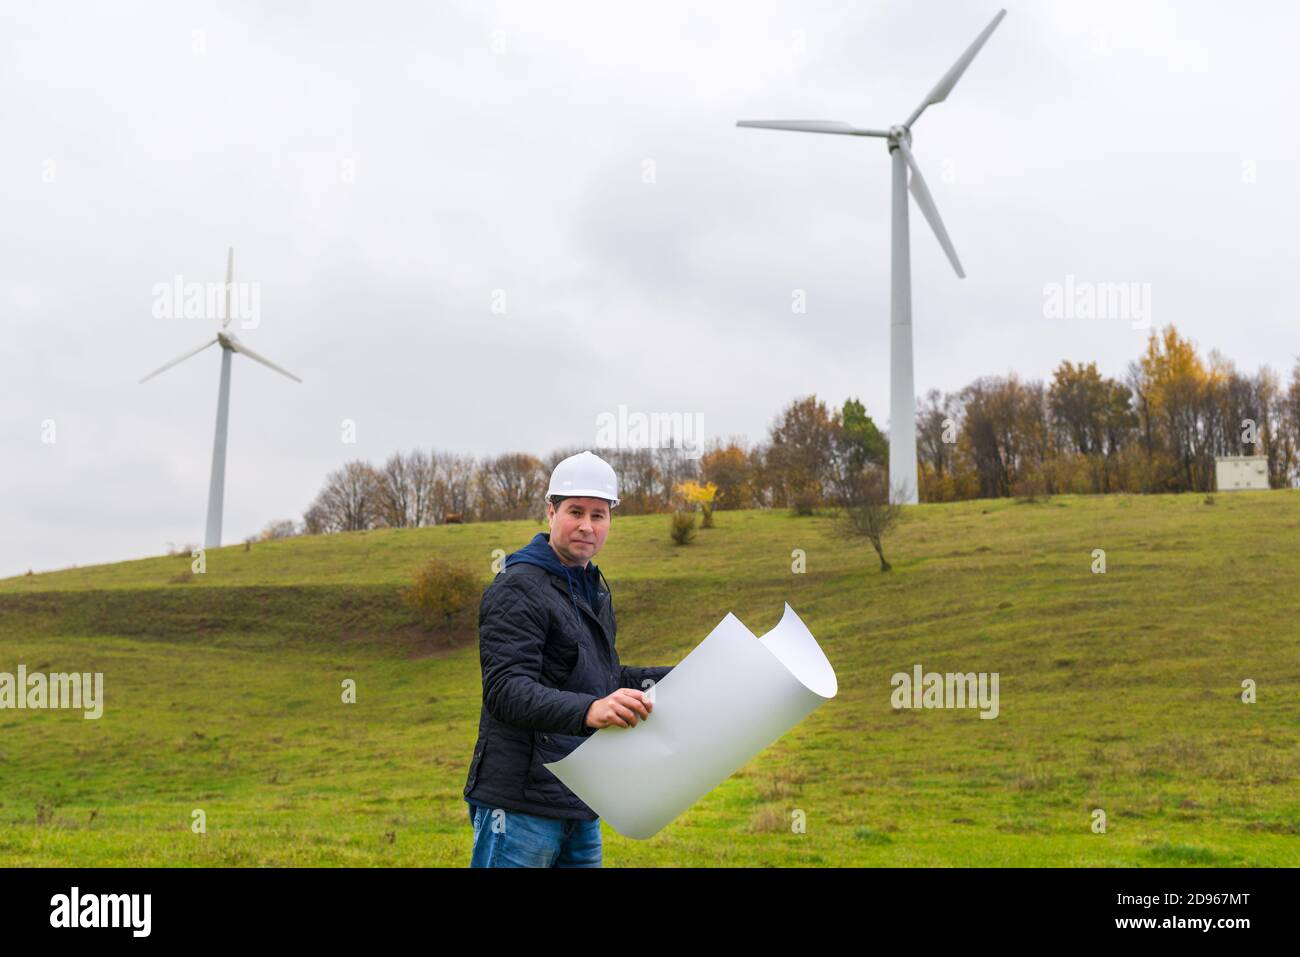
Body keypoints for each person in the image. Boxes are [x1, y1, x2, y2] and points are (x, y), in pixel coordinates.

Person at [463, 450, 675, 866]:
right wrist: (591, 709)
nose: (586, 525)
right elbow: (506, 690)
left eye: (598, 515)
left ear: (610, 521)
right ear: (550, 512)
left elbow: (602, 678)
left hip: (579, 796)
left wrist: (686, 675)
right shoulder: (518, 586)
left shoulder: (591, 587)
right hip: (519, 804)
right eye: (575, 511)